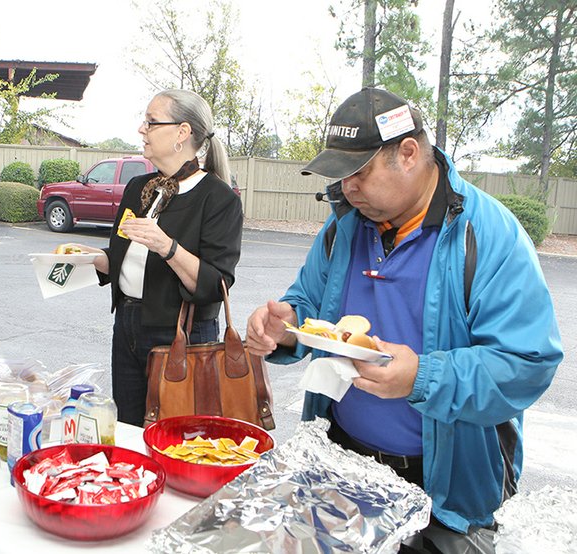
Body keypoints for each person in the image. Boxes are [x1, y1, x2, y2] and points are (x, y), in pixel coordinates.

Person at [246, 87, 562, 553]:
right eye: (341, 177)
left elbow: (527, 362)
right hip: (339, 466)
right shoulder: (343, 227)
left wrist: (421, 377)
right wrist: (286, 327)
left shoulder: (489, 234)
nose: (347, 189)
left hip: (444, 497)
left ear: (409, 154)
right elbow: (311, 302)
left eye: (359, 173)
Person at [69, 89, 243, 427]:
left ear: (182, 132)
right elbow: (126, 256)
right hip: (127, 326)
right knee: (128, 428)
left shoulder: (218, 198)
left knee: (176, 436)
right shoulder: (139, 188)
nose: (141, 129)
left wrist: (168, 247)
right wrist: (95, 259)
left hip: (181, 336)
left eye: (151, 122)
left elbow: (216, 284)